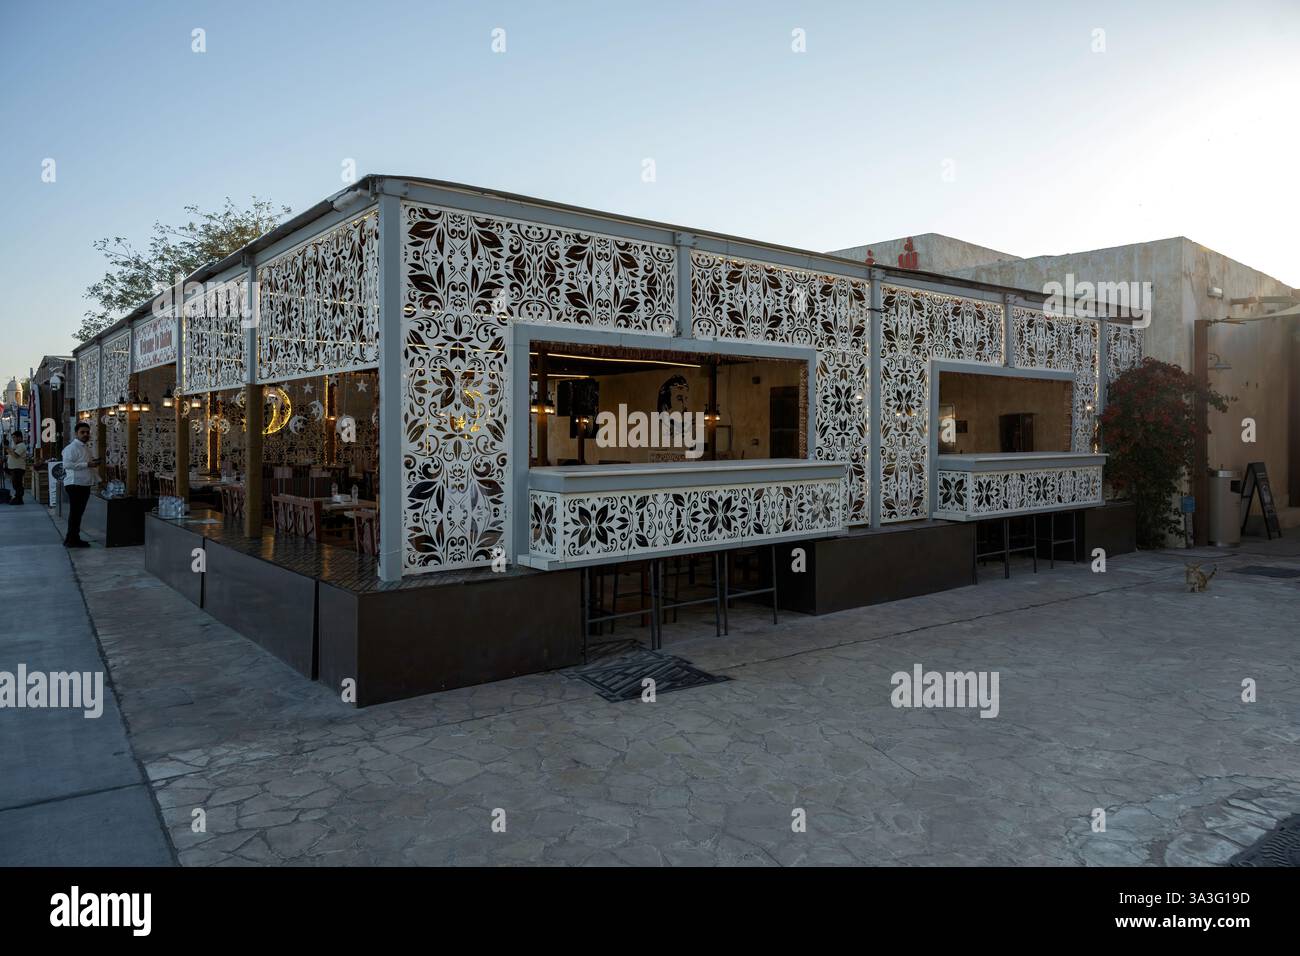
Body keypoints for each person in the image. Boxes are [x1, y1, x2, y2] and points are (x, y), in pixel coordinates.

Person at [61, 420, 98, 547]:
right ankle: (72, 539)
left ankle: (71, 538)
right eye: (82, 432)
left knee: (78, 513)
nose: (86, 434)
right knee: (75, 513)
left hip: (84, 484)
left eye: (87, 432)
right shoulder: (71, 448)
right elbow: (66, 465)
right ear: (76, 433)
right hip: (75, 484)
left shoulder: (85, 447)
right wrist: (87, 464)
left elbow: (87, 464)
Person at [5, 432, 27, 505]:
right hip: (14, 468)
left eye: (14, 437)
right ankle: (18, 498)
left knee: (17, 484)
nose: (13, 439)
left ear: (19, 437)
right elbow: (12, 455)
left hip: (18, 468)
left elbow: (16, 455)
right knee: (15, 484)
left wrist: (8, 448)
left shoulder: (21, 446)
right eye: (13, 437)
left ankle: (19, 499)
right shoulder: (16, 445)